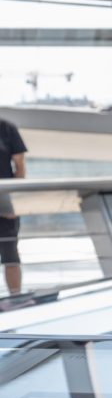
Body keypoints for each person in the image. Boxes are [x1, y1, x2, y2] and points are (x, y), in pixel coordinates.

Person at [1, 115, 26, 296]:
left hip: (5, 201)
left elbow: (20, 167)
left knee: (10, 254)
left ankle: (16, 299)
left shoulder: (7, 128)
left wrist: (14, 199)